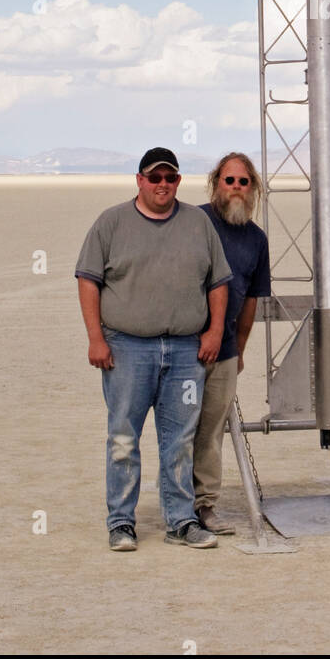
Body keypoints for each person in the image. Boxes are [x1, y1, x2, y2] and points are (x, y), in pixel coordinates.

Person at [75, 148, 232, 552]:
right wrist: (96, 338)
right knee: (124, 437)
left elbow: (218, 283)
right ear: (140, 180)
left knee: (180, 439)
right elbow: (88, 280)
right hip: (127, 349)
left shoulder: (198, 223)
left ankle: (181, 521)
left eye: (171, 178)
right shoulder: (111, 223)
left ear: (178, 181)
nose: (163, 184)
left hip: (185, 351)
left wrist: (214, 331)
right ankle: (121, 523)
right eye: (155, 177)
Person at [193, 152, 270, 536]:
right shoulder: (193, 221)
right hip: (182, 347)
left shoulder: (257, 239)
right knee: (178, 429)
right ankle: (176, 508)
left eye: (244, 182)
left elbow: (252, 297)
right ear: (215, 184)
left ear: (253, 188)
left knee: (211, 432)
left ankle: (204, 506)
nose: (236, 188)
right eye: (230, 180)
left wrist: (238, 349)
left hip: (224, 353)